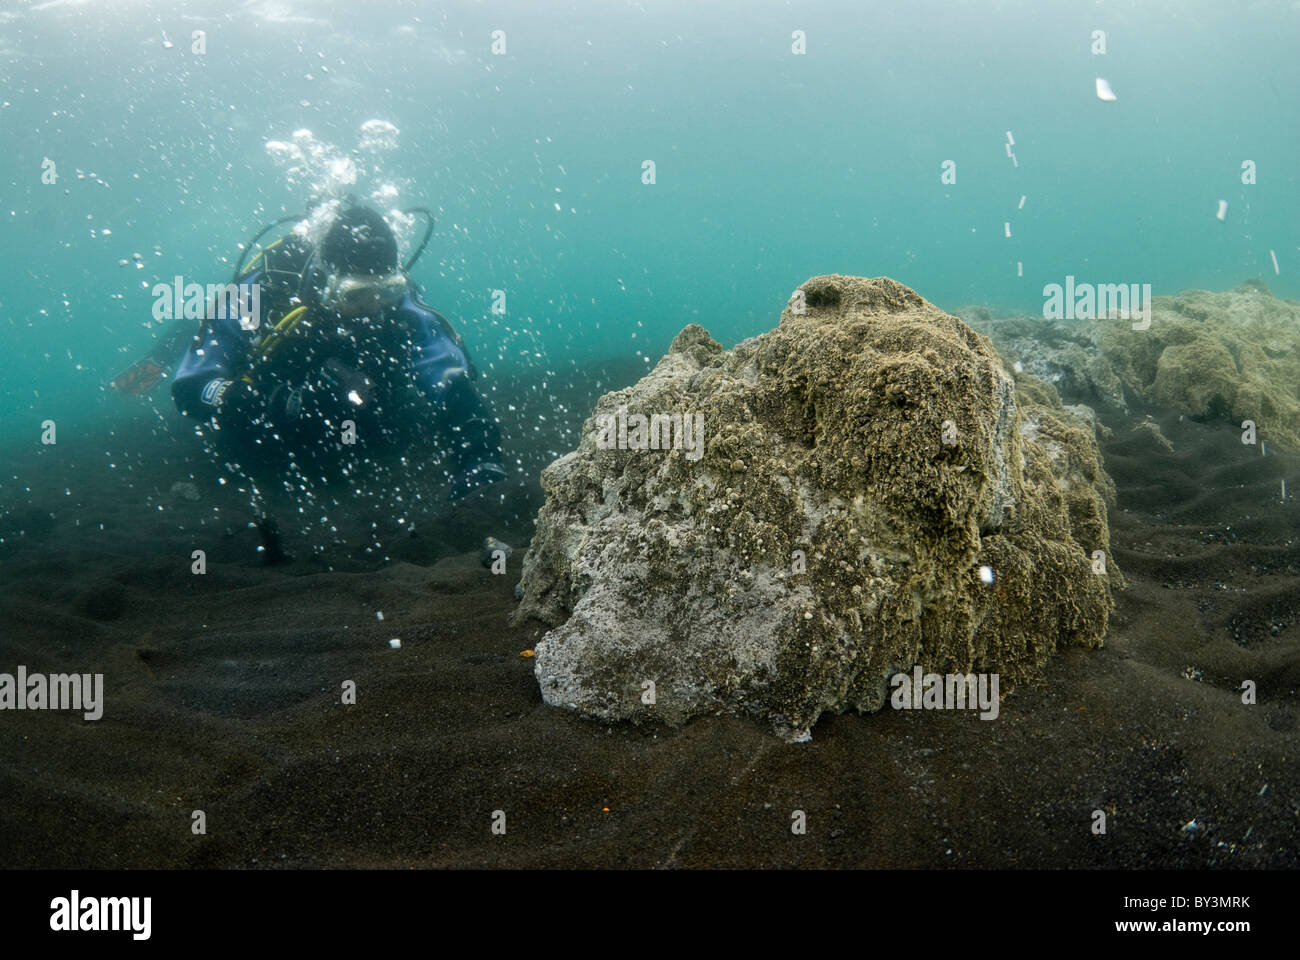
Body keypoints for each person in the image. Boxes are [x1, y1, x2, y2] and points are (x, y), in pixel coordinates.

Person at [171, 205, 506, 504]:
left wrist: (479, 453)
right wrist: (251, 400)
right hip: (272, 434)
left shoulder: (401, 304)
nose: (373, 308)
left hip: (368, 425)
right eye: (357, 295)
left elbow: (446, 375)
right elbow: (190, 387)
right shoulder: (262, 294)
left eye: (386, 290)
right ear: (326, 282)